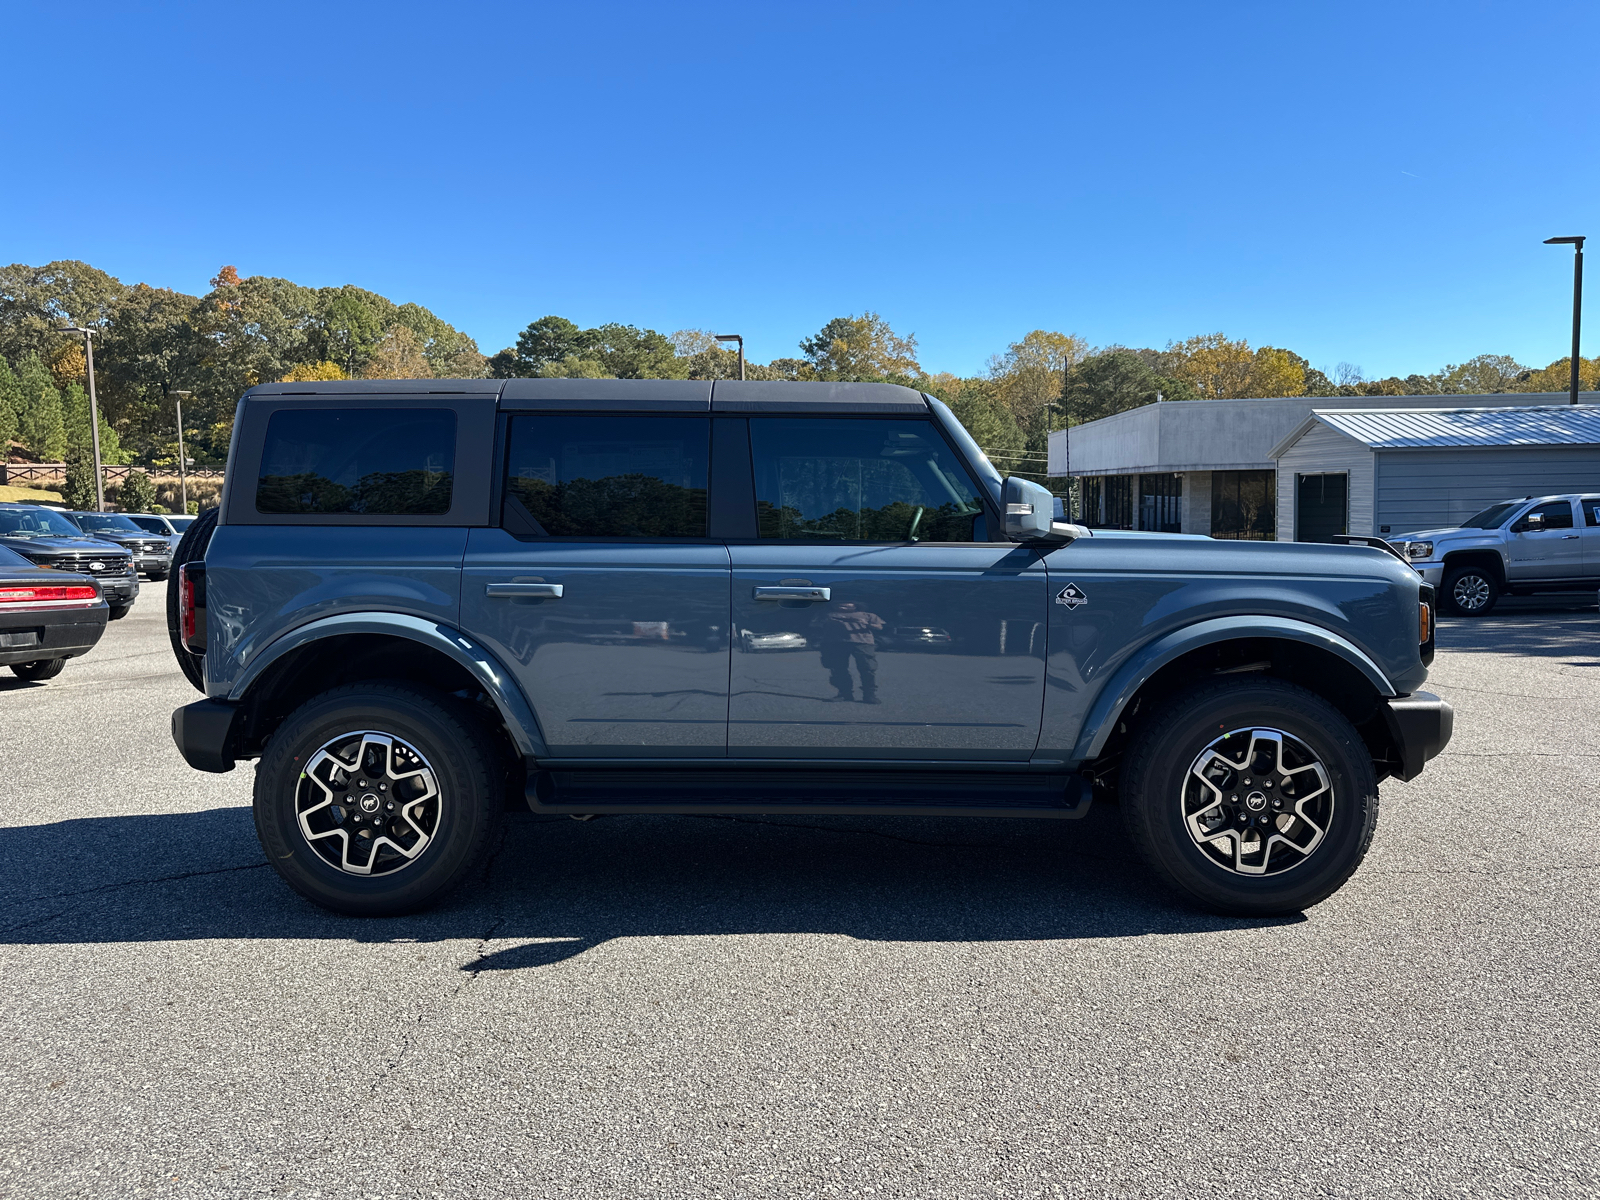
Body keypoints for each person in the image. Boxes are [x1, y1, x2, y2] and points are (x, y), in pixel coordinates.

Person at [815, 600, 884, 703]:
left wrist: (866, 624)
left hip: (863, 642)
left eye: (847, 603)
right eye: (839, 603)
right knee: (838, 669)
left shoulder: (868, 615)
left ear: (856, 604)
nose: (843, 604)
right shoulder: (827, 615)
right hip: (835, 643)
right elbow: (815, 626)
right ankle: (844, 694)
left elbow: (879, 627)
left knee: (867, 668)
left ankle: (869, 694)